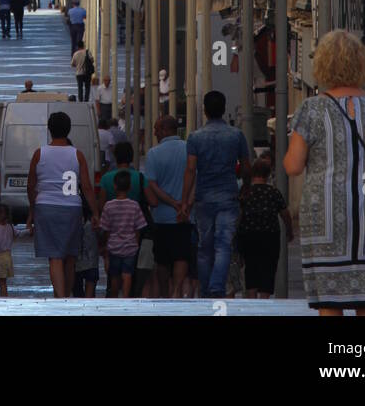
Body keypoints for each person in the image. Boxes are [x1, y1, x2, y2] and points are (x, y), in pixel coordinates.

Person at [284, 28, 365, 317]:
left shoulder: (311, 109)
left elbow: (293, 166)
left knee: (329, 303)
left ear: (321, 64)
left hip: (325, 218)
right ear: (361, 64)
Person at [181, 89, 251, 299]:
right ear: (223, 109)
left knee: (204, 246)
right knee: (223, 244)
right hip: (229, 196)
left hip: (204, 198)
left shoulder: (195, 137)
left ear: (205, 110)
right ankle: (217, 286)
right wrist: (246, 186)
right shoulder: (236, 135)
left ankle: (205, 289)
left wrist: (185, 200)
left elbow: (191, 170)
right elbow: (246, 166)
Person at [27, 110, 98, 298]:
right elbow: (87, 187)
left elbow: (31, 186)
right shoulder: (77, 155)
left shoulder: (39, 154)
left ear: (49, 129)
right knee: (70, 257)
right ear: (69, 130)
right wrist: (95, 212)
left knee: (55, 257)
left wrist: (32, 211)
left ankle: (59, 296)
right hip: (72, 208)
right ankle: (67, 293)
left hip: (46, 207)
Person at [144, 115, 192, 298]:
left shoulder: (153, 154)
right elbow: (195, 177)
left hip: (162, 216)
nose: (155, 133)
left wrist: (173, 203)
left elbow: (153, 185)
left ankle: (165, 291)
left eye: (156, 129)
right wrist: (185, 204)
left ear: (165, 130)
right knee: (181, 255)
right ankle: (177, 289)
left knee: (162, 259)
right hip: (185, 215)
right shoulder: (189, 149)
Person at [237, 158, 292, 299]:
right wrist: (289, 231)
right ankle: (264, 301)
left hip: (248, 235)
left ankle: (251, 301)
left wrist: (236, 236)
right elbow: (285, 214)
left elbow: (239, 215)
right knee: (268, 268)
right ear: (268, 174)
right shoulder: (273, 192)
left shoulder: (245, 192)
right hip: (270, 235)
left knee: (250, 268)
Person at [99, 169, 147, 298]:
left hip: (114, 247)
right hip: (130, 247)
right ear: (130, 187)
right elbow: (139, 227)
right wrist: (135, 243)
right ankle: (126, 298)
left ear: (114, 186)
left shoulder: (108, 206)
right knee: (127, 274)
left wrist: (104, 246)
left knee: (114, 275)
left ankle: (115, 297)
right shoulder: (135, 206)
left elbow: (105, 228)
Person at [98, 140, 147, 212]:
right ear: (131, 156)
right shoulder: (140, 177)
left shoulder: (105, 178)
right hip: (134, 220)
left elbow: (101, 206)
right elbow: (152, 201)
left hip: (113, 219)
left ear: (115, 156)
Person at [73, 205, 100, 298]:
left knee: (77, 292)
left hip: (76, 263)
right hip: (91, 262)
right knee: (90, 291)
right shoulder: (93, 224)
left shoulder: (73, 223)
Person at [71, 39, 93, 104]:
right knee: (87, 87)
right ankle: (86, 100)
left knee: (80, 88)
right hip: (87, 73)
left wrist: (78, 65)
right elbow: (92, 60)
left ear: (78, 46)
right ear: (83, 45)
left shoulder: (75, 54)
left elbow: (72, 64)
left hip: (79, 73)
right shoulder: (87, 52)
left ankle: (80, 100)